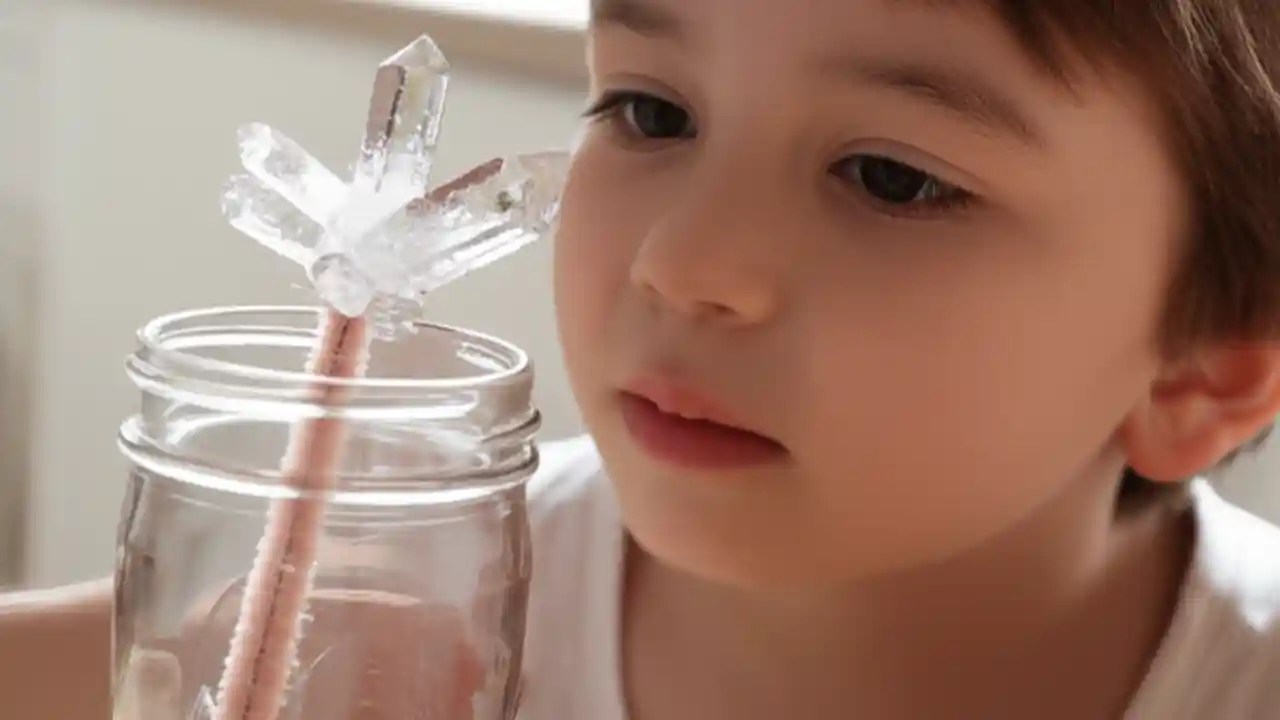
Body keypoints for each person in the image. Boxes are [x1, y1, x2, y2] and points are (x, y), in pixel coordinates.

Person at [6, 0, 1280, 717]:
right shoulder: (388, 624)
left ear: (1203, 371)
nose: (681, 261)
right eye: (650, 110)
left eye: (891, 178)